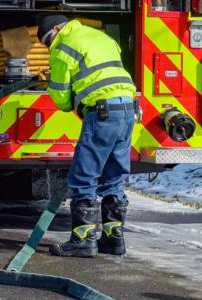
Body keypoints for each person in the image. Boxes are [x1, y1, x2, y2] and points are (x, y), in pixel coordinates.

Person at [38, 14, 136, 257]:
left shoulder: (63, 47)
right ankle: (114, 239)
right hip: (127, 110)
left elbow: (61, 98)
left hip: (102, 114)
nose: (50, 46)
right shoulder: (102, 37)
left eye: (48, 40)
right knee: (113, 176)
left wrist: (54, 86)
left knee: (84, 176)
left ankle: (83, 240)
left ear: (57, 29)